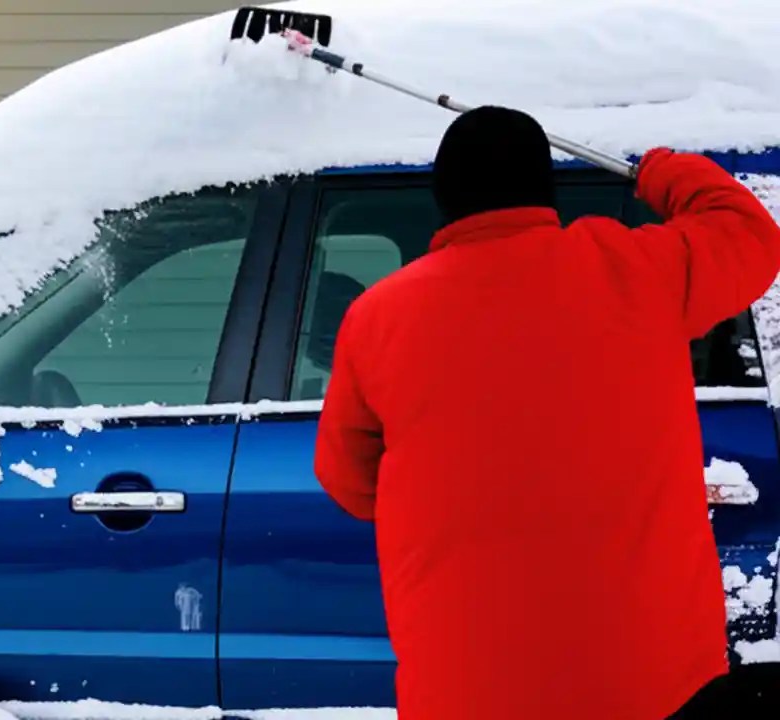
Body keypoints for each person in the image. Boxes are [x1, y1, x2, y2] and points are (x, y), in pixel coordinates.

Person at [313, 106, 780, 720]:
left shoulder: (376, 318)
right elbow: (749, 235)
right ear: (545, 190)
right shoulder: (638, 270)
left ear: (443, 196)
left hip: (465, 687)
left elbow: (347, 477)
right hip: (648, 681)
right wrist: (660, 170)